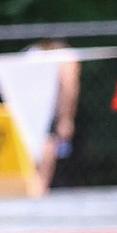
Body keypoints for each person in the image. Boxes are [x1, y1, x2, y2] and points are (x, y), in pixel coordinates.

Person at [28, 39, 81, 192]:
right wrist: (66, 119)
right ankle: (38, 191)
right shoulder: (65, 57)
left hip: (12, 108)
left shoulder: (29, 53)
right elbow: (69, 87)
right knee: (47, 142)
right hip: (41, 110)